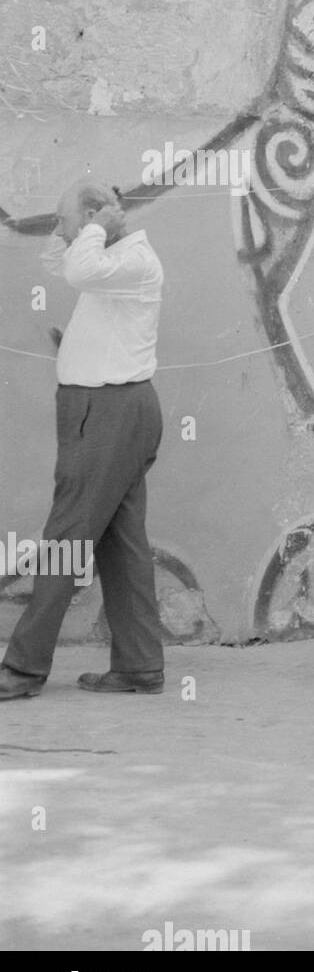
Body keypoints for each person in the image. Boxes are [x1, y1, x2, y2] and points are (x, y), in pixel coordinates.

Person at [0, 180, 166, 700]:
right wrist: (89, 224)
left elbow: (76, 267)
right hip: (104, 410)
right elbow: (59, 260)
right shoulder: (107, 257)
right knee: (122, 545)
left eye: (65, 218)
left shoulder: (132, 261)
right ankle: (139, 668)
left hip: (109, 413)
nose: (59, 229)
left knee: (65, 539)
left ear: (97, 217)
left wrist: (96, 224)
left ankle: (23, 669)